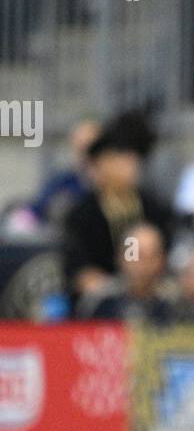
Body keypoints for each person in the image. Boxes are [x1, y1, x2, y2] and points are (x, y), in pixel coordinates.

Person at [62, 110, 175, 309]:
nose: (130, 166)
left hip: (151, 288)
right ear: (102, 165)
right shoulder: (83, 213)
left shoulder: (151, 206)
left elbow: (167, 244)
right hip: (106, 295)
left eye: (133, 159)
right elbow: (77, 264)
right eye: (121, 159)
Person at [83, 222, 178, 326]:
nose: (143, 264)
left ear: (162, 260)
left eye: (150, 256)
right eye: (135, 255)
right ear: (120, 257)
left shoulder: (175, 301)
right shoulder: (100, 300)